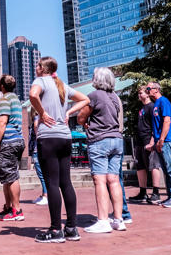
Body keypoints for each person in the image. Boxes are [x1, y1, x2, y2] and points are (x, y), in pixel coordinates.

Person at [29, 56, 90, 243]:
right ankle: (71, 228)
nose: (36, 68)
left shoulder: (41, 81)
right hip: (65, 137)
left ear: (42, 68)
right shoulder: (61, 84)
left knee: (52, 183)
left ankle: (56, 230)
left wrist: (42, 112)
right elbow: (85, 99)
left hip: (49, 138)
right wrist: (69, 112)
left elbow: (33, 95)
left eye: (38, 65)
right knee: (66, 182)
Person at [77, 67, 127, 233]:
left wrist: (85, 123)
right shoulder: (115, 97)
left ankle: (103, 220)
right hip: (117, 141)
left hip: (100, 141)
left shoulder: (94, 95)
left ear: (97, 79)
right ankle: (119, 219)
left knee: (100, 180)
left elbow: (81, 116)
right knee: (114, 180)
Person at [145, 82, 171, 208]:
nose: (147, 91)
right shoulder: (156, 104)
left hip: (166, 141)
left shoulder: (164, 101)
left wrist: (161, 139)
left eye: (148, 88)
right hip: (159, 142)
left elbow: (167, 120)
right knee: (166, 170)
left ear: (156, 90)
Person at [0, 74, 25, 222]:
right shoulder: (16, 100)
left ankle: (17, 210)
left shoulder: (4, 100)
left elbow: (2, 122)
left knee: (11, 176)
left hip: (8, 141)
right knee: (8, 176)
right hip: (18, 140)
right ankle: (9, 207)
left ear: (2, 86)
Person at [128, 84, 163, 204]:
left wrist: (153, 141)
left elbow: (156, 126)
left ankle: (156, 193)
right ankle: (143, 192)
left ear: (147, 94)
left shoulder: (152, 107)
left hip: (149, 140)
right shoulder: (141, 109)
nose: (139, 95)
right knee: (140, 167)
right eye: (138, 93)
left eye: (141, 93)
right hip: (139, 142)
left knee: (153, 166)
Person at [28, 106, 48, 205]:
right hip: (43, 149)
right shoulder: (43, 118)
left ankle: (45, 195)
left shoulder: (36, 117)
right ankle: (44, 194)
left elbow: (35, 126)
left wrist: (37, 135)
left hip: (37, 149)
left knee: (41, 174)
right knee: (45, 173)